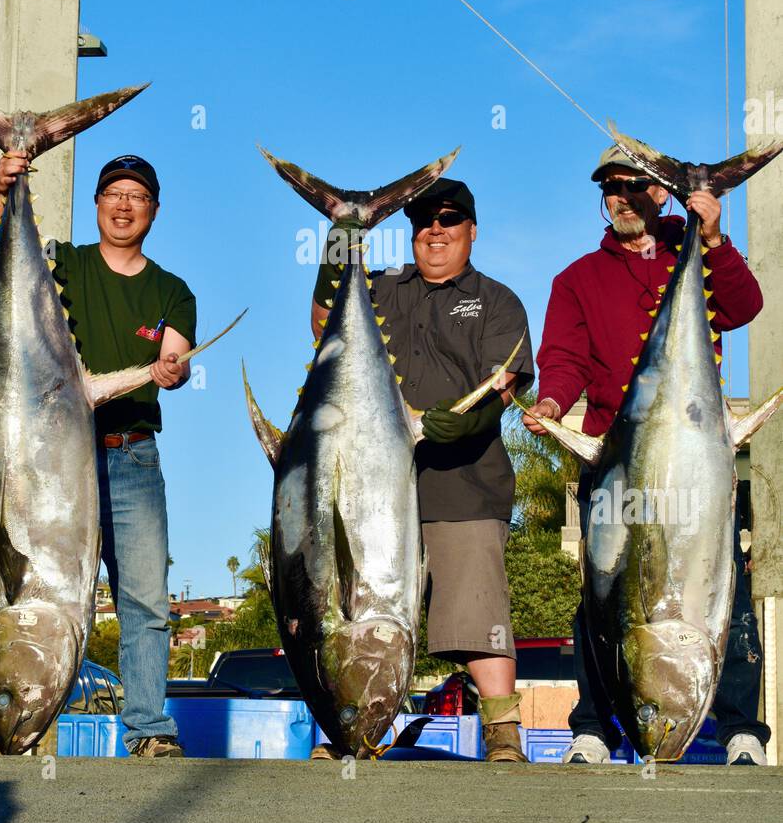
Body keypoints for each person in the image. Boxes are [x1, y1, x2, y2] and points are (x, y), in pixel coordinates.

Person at [524, 145, 770, 766]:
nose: (621, 197)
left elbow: (745, 308)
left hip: (697, 466)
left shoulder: (694, 253)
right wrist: (552, 403)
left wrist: (710, 237)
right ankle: (594, 728)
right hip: (615, 469)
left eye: (634, 185)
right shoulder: (577, 278)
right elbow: (564, 361)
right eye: (609, 188)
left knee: (723, 589)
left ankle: (742, 729)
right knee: (601, 593)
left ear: (661, 193)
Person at [0, 152, 196, 758]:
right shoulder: (61, 263)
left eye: (137, 196)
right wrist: (6, 189)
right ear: (97, 205)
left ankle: (147, 730)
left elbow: (178, 355)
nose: (123, 205)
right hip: (49, 464)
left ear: (154, 210)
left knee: (144, 600)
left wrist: (173, 368)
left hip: (130, 457)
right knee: (16, 583)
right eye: (113, 193)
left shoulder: (173, 290)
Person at [311, 178, 534, 761]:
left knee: (477, 604)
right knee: (364, 605)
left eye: (450, 219)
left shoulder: (498, 300)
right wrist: (342, 236)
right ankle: (354, 727)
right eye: (424, 222)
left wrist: (467, 422)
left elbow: (503, 383)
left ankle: (503, 731)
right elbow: (322, 327)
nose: (436, 230)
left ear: (471, 230)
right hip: (373, 490)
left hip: (462, 481)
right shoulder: (380, 288)